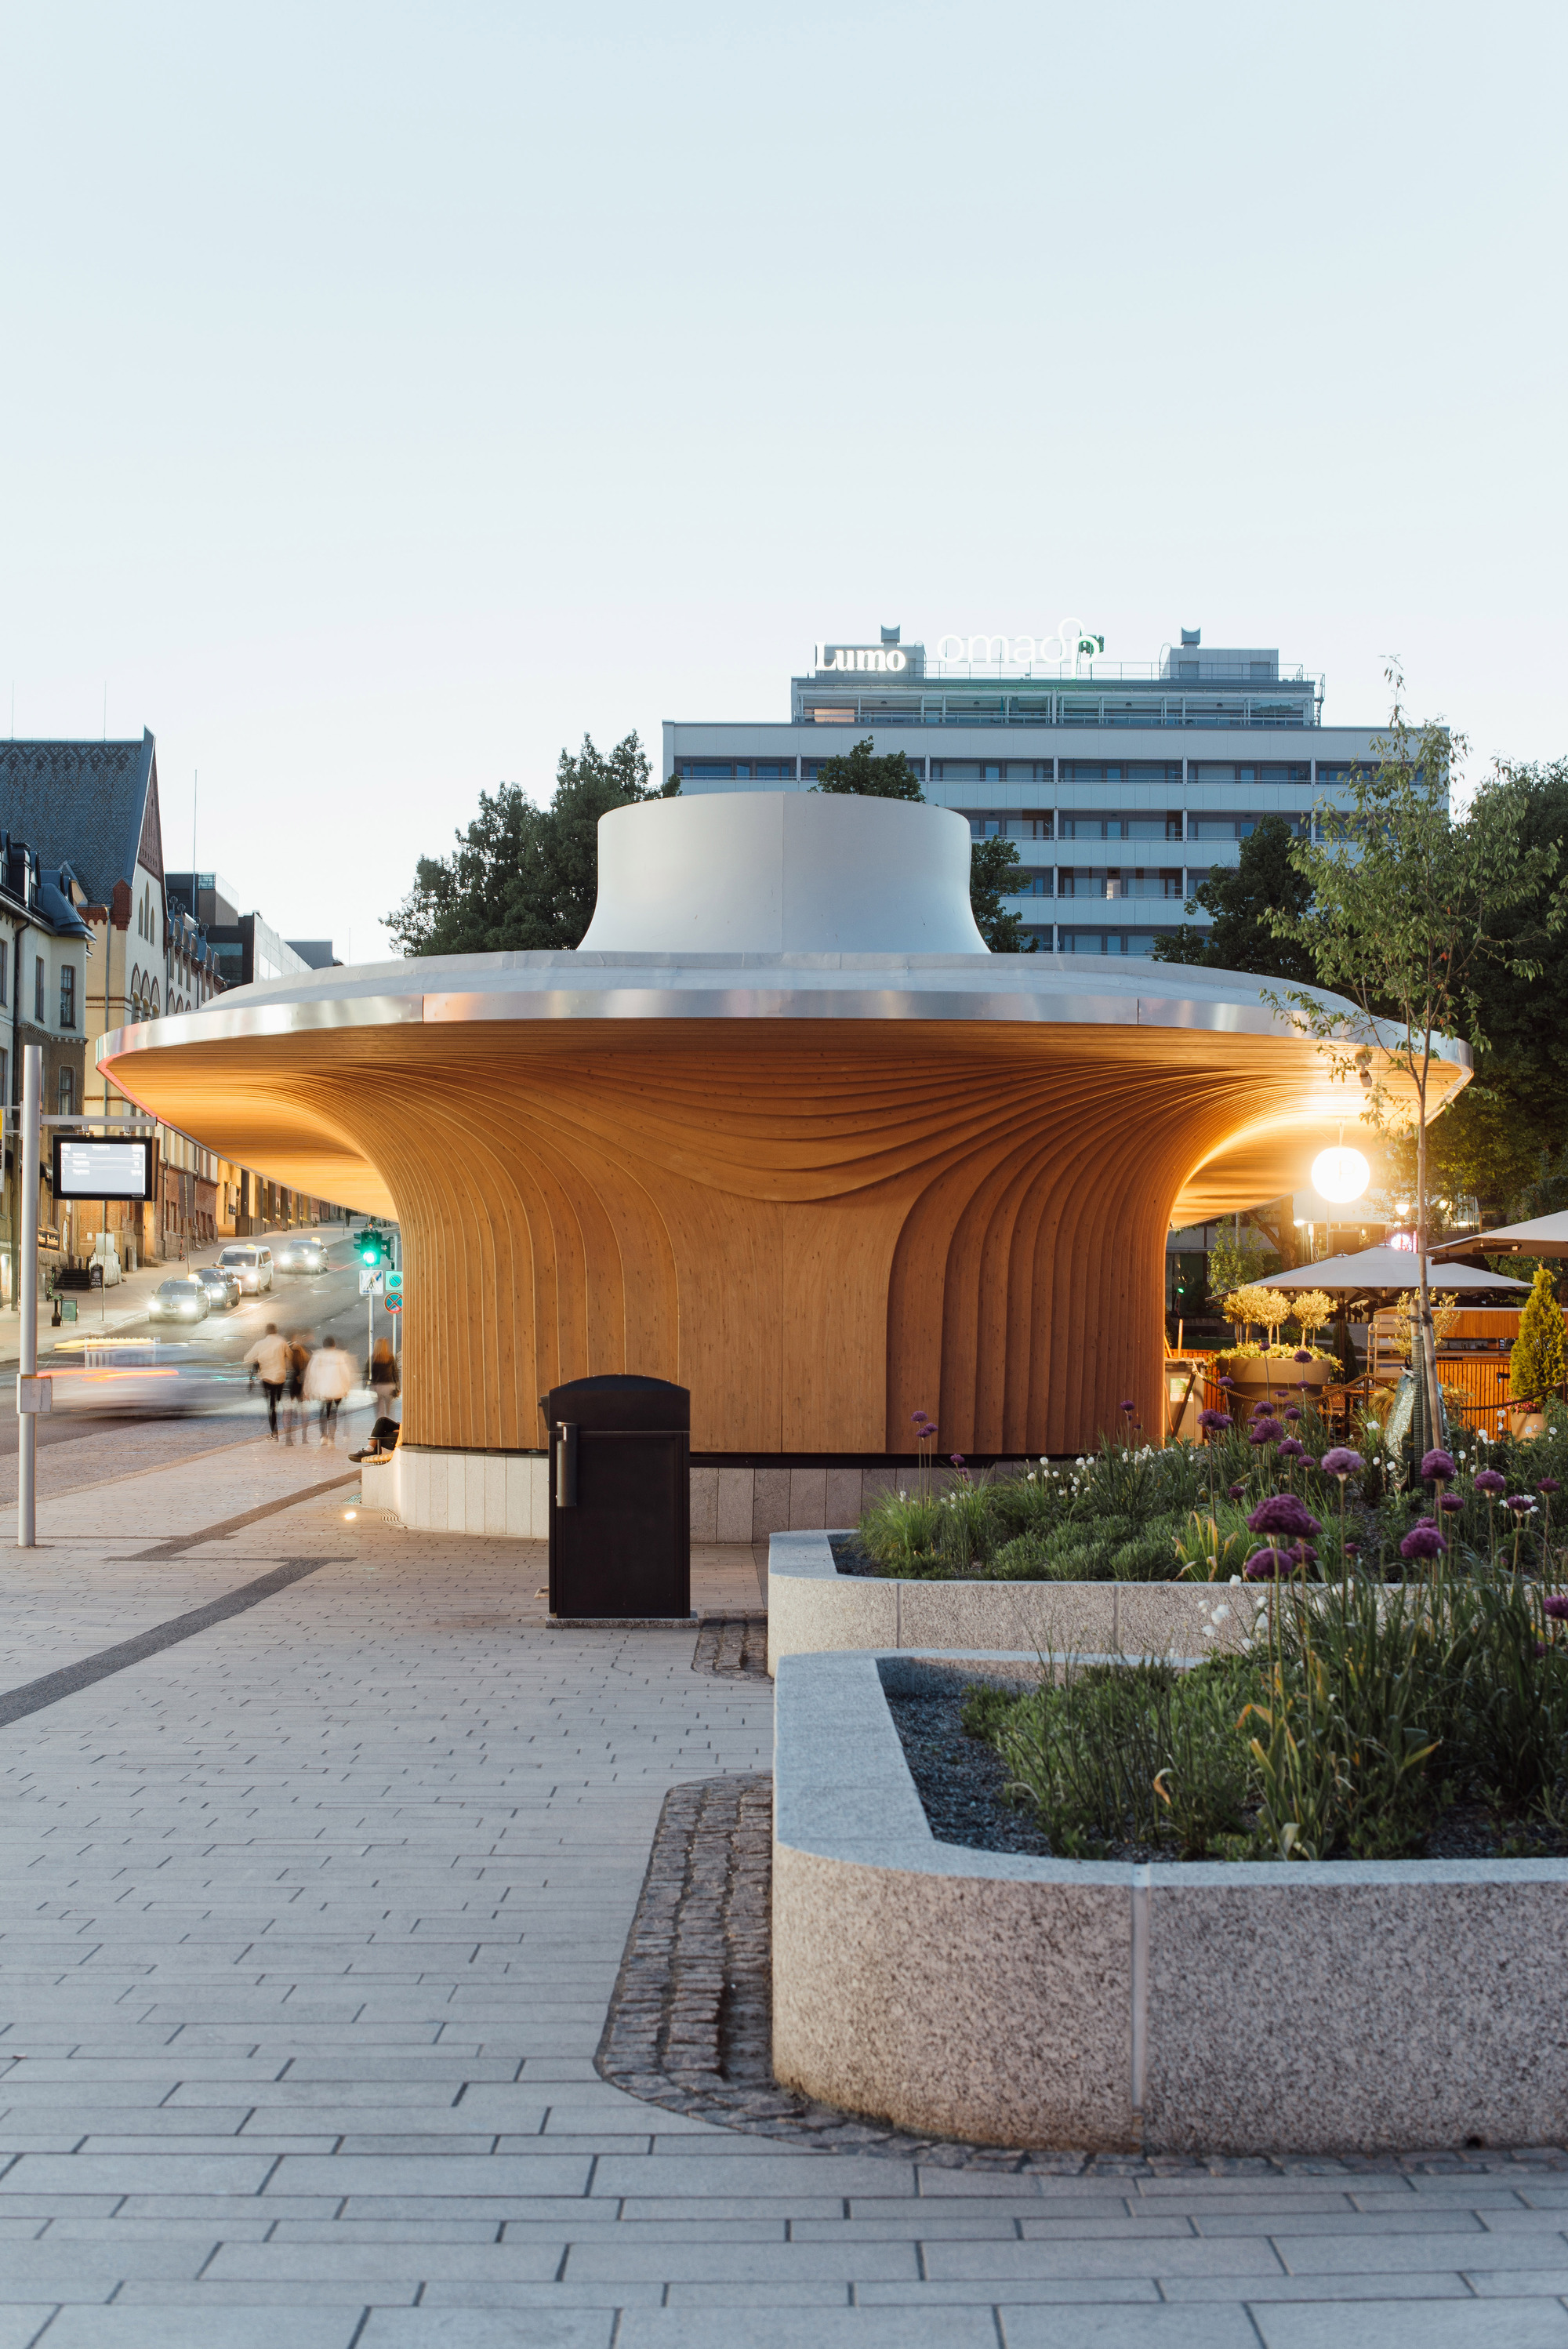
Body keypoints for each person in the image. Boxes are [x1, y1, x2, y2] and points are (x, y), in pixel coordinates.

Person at [304, 1332, 355, 1445]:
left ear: (323, 1345)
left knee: (323, 1412)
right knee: (334, 1413)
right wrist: (347, 1388)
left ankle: (323, 1436)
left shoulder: (317, 1356)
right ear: (334, 1345)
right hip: (338, 1389)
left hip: (323, 1390)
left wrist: (308, 1389)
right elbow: (345, 1373)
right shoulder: (340, 1356)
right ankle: (332, 1437)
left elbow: (311, 1373)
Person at [243, 1323, 291, 1439]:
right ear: (276, 1330)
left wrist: (259, 1358)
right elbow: (290, 1355)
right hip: (280, 1377)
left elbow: (247, 1358)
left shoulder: (260, 1344)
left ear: (267, 1332)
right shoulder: (282, 1342)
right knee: (277, 1399)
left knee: (271, 1404)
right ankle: (280, 1408)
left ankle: (274, 1432)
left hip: (267, 1378)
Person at [284, 1332, 312, 1445]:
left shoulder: (290, 1351)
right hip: (300, 1384)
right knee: (303, 1412)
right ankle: (304, 1437)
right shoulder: (302, 1352)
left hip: (291, 1384)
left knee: (289, 1412)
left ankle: (288, 1438)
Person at [366, 1337, 399, 1423]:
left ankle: (379, 1426)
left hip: (377, 1386)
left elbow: (367, 1372)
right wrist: (397, 1386)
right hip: (389, 1385)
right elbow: (395, 1373)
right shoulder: (391, 1358)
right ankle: (391, 1426)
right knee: (389, 1409)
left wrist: (367, 1384)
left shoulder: (373, 1358)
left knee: (379, 1410)